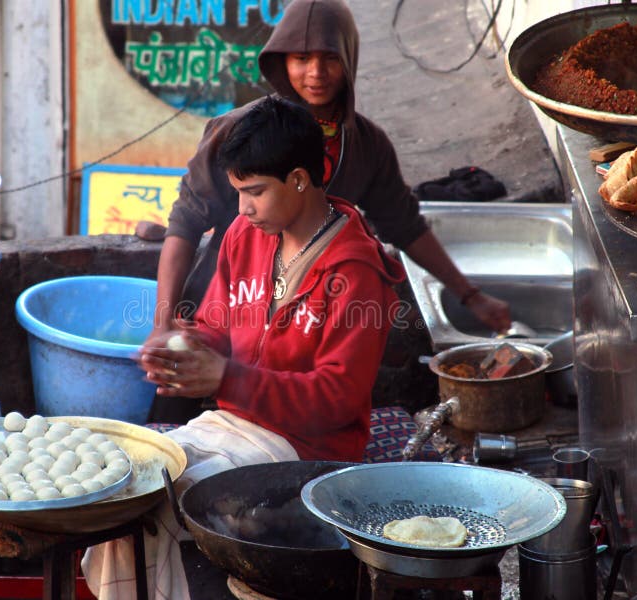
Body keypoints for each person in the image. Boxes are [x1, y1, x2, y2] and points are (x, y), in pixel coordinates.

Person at [83, 95, 405, 600]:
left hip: (307, 450)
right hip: (228, 426)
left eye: (254, 192)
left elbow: (338, 398)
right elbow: (214, 325)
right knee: (124, 491)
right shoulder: (245, 235)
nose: (242, 208)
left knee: (157, 506)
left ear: (299, 179)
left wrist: (226, 378)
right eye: (237, 192)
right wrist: (182, 348)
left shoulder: (355, 272)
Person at [151, 0, 510, 352]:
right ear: (281, 60)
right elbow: (185, 224)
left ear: (349, 60)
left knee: (294, 399)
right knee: (177, 399)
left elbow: (406, 226)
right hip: (219, 303)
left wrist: (470, 296)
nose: (316, 74)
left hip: (308, 322)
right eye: (301, 58)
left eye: (331, 58)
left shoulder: (366, 146)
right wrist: (163, 321)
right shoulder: (237, 130)